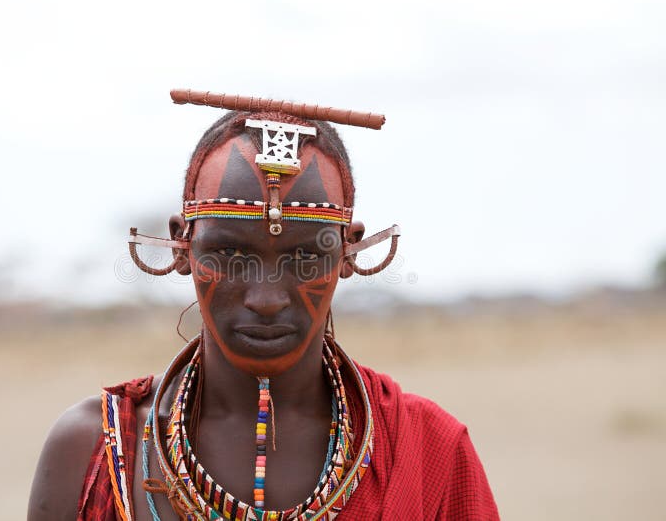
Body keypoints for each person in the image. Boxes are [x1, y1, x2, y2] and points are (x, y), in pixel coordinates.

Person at [28, 91, 499, 521]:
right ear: (181, 246)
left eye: (307, 257)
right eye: (231, 255)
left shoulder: (429, 450)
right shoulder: (95, 450)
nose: (267, 299)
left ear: (349, 252)